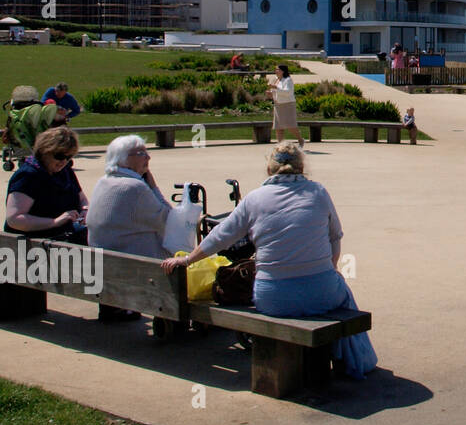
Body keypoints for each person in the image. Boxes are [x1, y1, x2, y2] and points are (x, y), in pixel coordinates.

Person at [161, 144, 377, 380]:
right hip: (321, 293)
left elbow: (221, 236)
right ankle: (356, 362)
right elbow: (335, 236)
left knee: (311, 288)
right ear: (302, 168)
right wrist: (331, 268)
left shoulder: (254, 199)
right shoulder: (319, 193)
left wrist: (189, 260)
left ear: (268, 168)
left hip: (274, 299)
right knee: (342, 293)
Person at [86, 135, 171, 321]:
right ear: (123, 158)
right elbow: (168, 219)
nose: (148, 158)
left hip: (105, 262)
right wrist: (153, 186)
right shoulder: (134, 187)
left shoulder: (104, 181)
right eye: (141, 153)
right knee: (179, 250)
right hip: (132, 266)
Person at [5, 127, 88, 245]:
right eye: (59, 156)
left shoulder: (65, 171)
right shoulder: (28, 176)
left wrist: (85, 210)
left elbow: (82, 199)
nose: (64, 161)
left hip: (64, 238)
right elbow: (14, 219)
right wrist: (55, 221)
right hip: (31, 245)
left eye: (69, 157)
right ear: (45, 151)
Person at [266, 65, 303, 145]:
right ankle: (281, 146)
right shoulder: (275, 80)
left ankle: (300, 139)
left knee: (291, 125)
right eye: (275, 69)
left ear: (283, 71)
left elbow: (288, 92)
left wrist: (275, 88)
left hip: (288, 104)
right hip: (278, 105)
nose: (276, 71)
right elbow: (275, 92)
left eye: (277, 69)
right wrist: (270, 94)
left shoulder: (288, 80)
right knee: (278, 127)